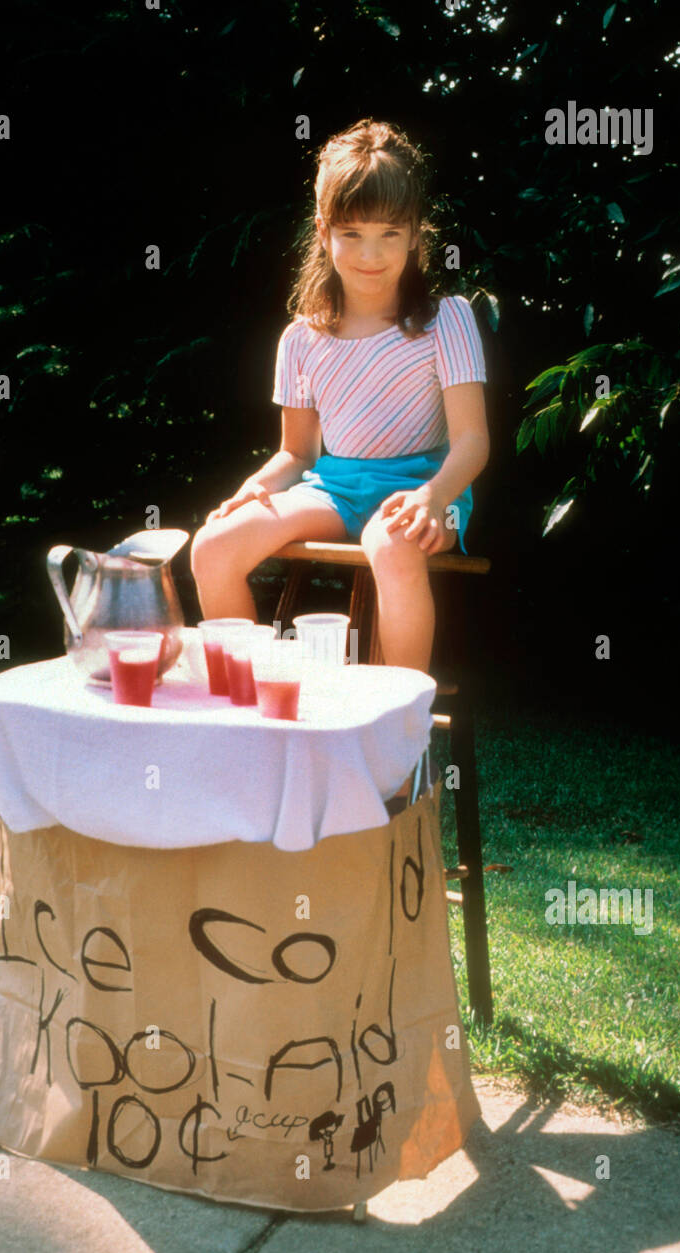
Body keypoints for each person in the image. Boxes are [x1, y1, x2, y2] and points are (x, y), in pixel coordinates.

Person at [190, 118, 490, 801]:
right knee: (213, 546)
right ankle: (248, 720)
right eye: (351, 233)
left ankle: (397, 738)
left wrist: (433, 498)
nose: (370, 253)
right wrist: (250, 489)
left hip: (423, 486)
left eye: (389, 234)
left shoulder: (447, 318)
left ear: (416, 235)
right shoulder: (302, 336)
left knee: (390, 540)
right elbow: (295, 453)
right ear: (323, 232)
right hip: (336, 484)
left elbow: (473, 441)